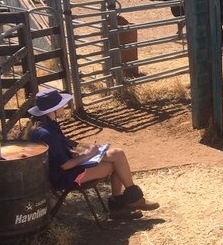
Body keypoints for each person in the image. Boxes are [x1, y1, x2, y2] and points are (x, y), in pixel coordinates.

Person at [27, 88, 159, 220]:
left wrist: (81, 152)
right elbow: (65, 165)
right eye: (61, 105)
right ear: (53, 109)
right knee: (116, 162)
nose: (64, 107)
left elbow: (62, 152)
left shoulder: (46, 127)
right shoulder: (47, 133)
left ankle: (125, 204)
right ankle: (127, 203)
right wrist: (88, 155)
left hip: (67, 171)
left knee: (117, 154)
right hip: (65, 177)